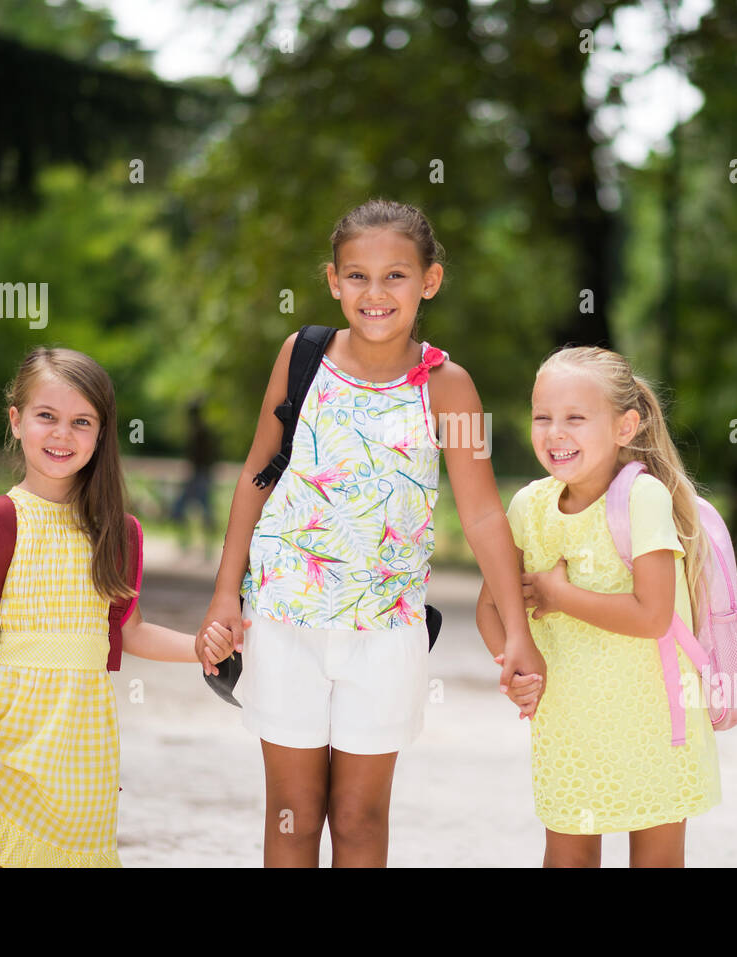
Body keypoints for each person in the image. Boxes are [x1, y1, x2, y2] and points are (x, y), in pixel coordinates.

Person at [194, 198, 545, 867]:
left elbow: (482, 513)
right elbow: (255, 475)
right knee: (292, 817)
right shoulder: (301, 355)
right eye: (357, 276)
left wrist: (519, 632)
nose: (375, 293)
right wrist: (223, 597)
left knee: (359, 819)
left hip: (386, 631)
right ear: (333, 280)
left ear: (429, 281)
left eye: (396, 276)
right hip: (285, 615)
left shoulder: (450, 387)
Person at [0, 346, 230, 867]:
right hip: (6, 737)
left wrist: (200, 648)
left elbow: (131, 632)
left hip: (83, 748)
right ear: (15, 419)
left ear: (101, 434)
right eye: (45, 416)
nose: (61, 434)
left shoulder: (116, 534)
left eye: (81, 422)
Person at [477, 346, 721, 867]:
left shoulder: (643, 498)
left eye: (575, 418)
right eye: (542, 417)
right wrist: (512, 661)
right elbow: (493, 608)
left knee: (655, 858)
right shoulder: (529, 507)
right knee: (568, 857)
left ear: (624, 427)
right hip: (567, 723)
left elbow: (652, 615)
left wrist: (557, 594)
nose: (554, 432)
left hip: (653, 721)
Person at [170, 399, 219, 558]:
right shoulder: (199, 432)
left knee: (198, 512)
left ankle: (202, 547)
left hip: (200, 476)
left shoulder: (201, 432)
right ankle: (193, 545)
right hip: (199, 476)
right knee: (191, 511)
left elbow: (203, 457)